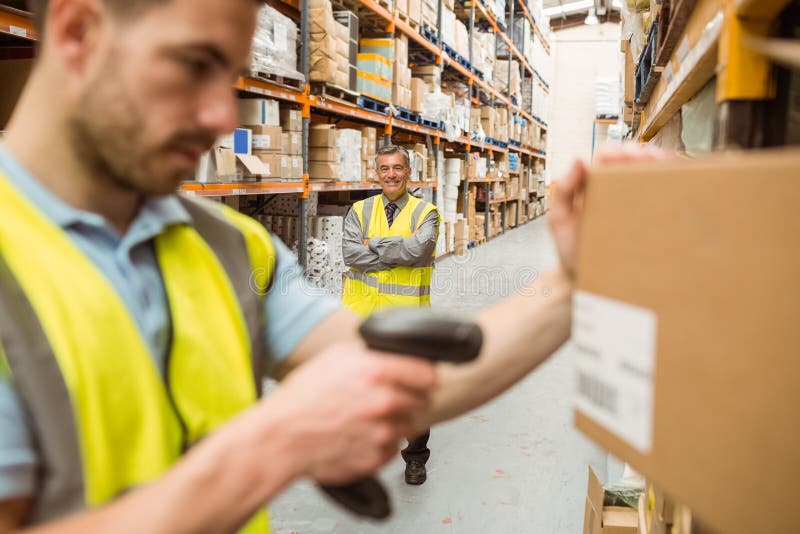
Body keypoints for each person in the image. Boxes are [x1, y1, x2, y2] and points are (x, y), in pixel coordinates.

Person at [0, 0, 661, 531]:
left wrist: (578, 278)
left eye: (228, 76)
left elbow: (402, 384)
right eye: (192, 63)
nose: (219, 118)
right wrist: (272, 446)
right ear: (79, 29)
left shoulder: (224, 244)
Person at [342, 144, 439, 485]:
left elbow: (419, 250)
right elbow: (351, 256)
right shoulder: (359, 210)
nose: (392, 175)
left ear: (408, 172)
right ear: (377, 173)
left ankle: (415, 458)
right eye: (385, 169)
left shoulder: (427, 213)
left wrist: (373, 244)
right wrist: (395, 250)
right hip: (365, 316)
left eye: (398, 168)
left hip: (408, 318)